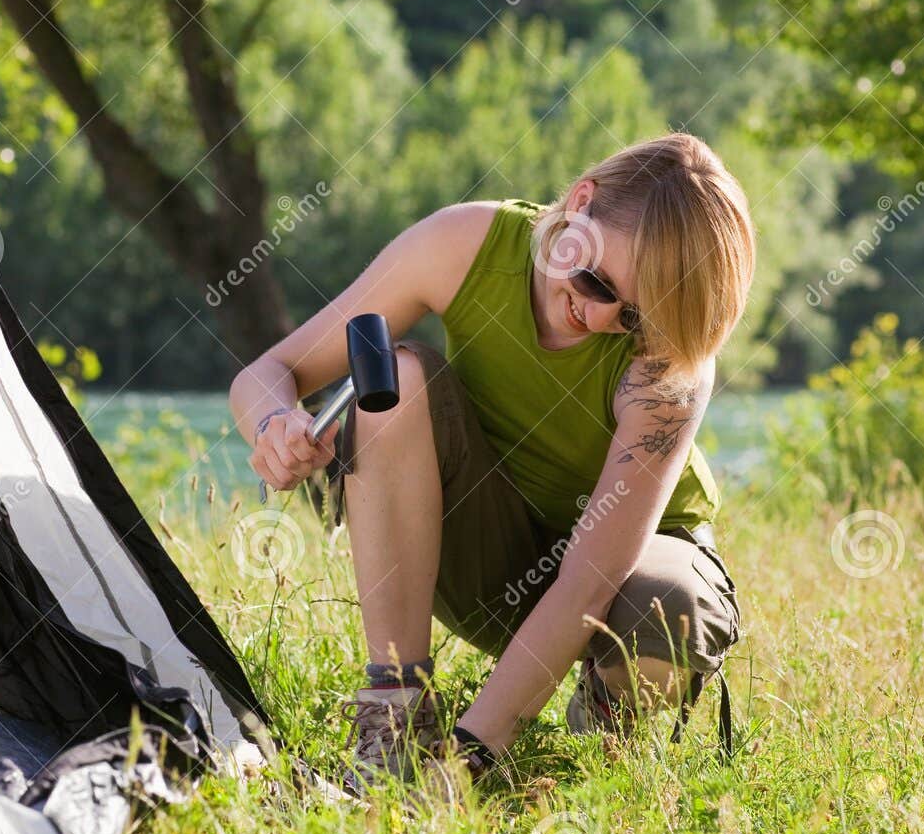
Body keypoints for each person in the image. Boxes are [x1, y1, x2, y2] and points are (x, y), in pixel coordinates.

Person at [229, 133, 755, 786]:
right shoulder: (463, 246)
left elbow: (593, 576)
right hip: (492, 555)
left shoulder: (669, 366)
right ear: (579, 204)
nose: (597, 318)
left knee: (670, 603)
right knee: (393, 377)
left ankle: (601, 727)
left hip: (620, 575)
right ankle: (395, 722)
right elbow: (269, 371)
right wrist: (276, 423)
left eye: (634, 318)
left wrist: (473, 753)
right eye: (595, 282)